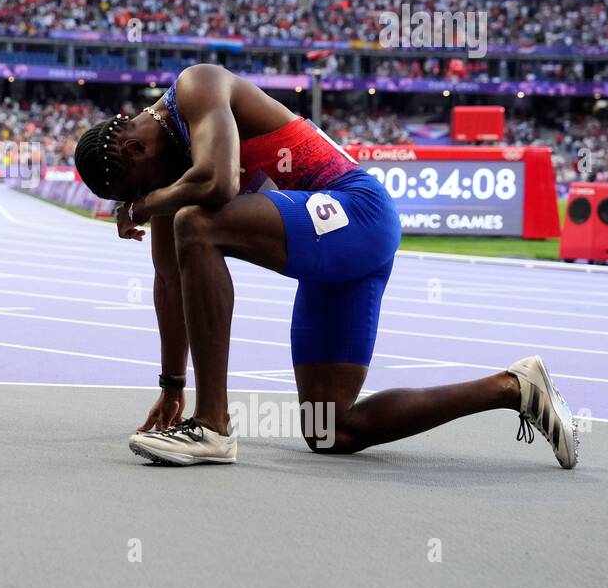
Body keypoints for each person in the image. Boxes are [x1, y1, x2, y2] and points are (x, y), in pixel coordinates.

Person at [72, 64, 579, 468]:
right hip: (334, 246)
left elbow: (219, 185)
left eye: (137, 189)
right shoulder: (172, 171)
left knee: (194, 222)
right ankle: (514, 388)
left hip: (358, 211)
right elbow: (168, 278)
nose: (144, 199)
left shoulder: (195, 87)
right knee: (330, 429)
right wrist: (170, 386)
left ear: (137, 147)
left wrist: (141, 206)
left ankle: (212, 426)